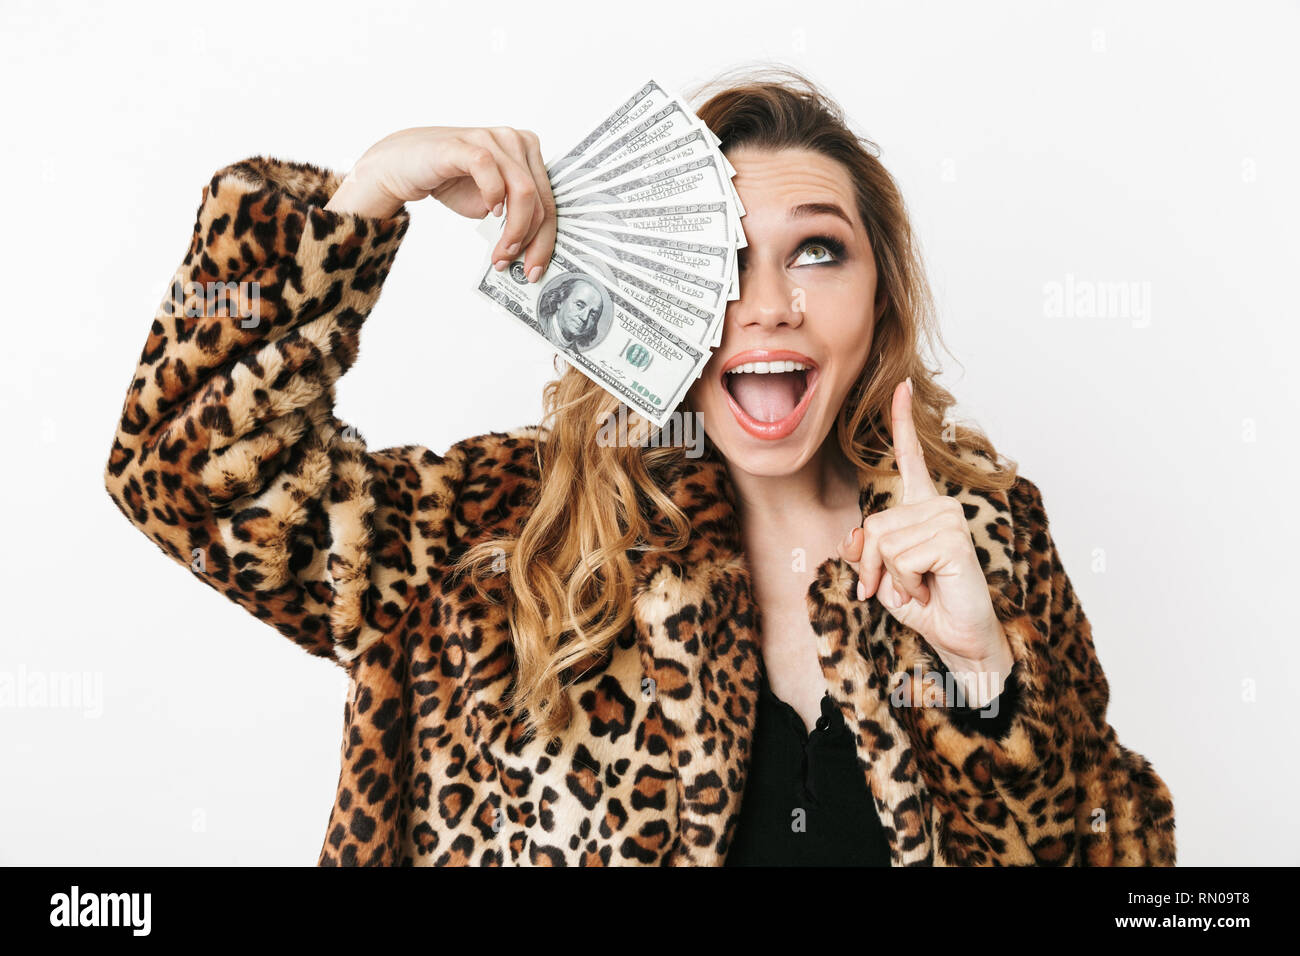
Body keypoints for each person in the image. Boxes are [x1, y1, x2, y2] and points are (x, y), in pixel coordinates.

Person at [103, 67, 1176, 866]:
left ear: (881, 297)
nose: (766, 303)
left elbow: (1123, 862)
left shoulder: (983, 536)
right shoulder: (496, 543)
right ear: (650, 285)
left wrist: (983, 682)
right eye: (718, 256)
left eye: (816, 250)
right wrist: (367, 196)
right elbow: (187, 473)